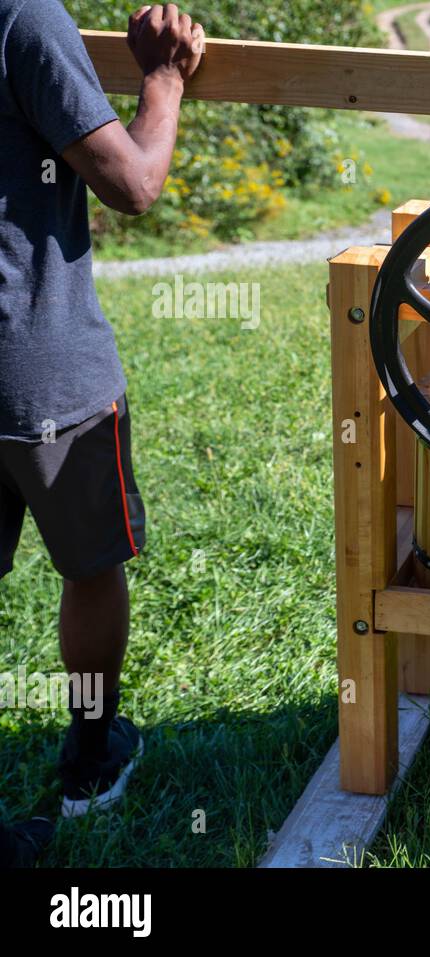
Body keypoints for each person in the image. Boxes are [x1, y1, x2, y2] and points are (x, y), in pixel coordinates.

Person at [0, 2, 203, 866]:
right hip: (40, 367)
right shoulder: (25, 19)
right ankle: (90, 757)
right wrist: (164, 78)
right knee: (90, 566)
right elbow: (134, 183)